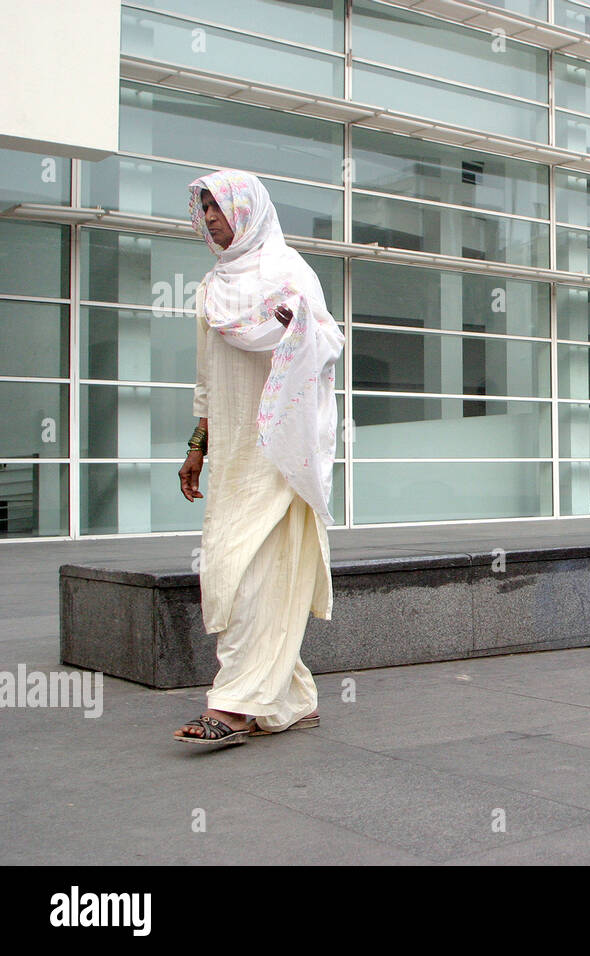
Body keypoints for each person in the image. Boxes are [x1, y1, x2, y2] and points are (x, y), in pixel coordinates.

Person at [174, 169, 344, 748]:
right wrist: (198, 447)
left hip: (278, 453)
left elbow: (328, 345)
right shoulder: (211, 285)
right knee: (239, 568)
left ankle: (235, 703)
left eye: (218, 209)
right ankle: (289, 698)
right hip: (233, 457)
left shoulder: (288, 270)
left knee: (244, 570)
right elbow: (206, 377)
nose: (210, 220)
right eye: (204, 211)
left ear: (247, 210)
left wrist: (293, 327)